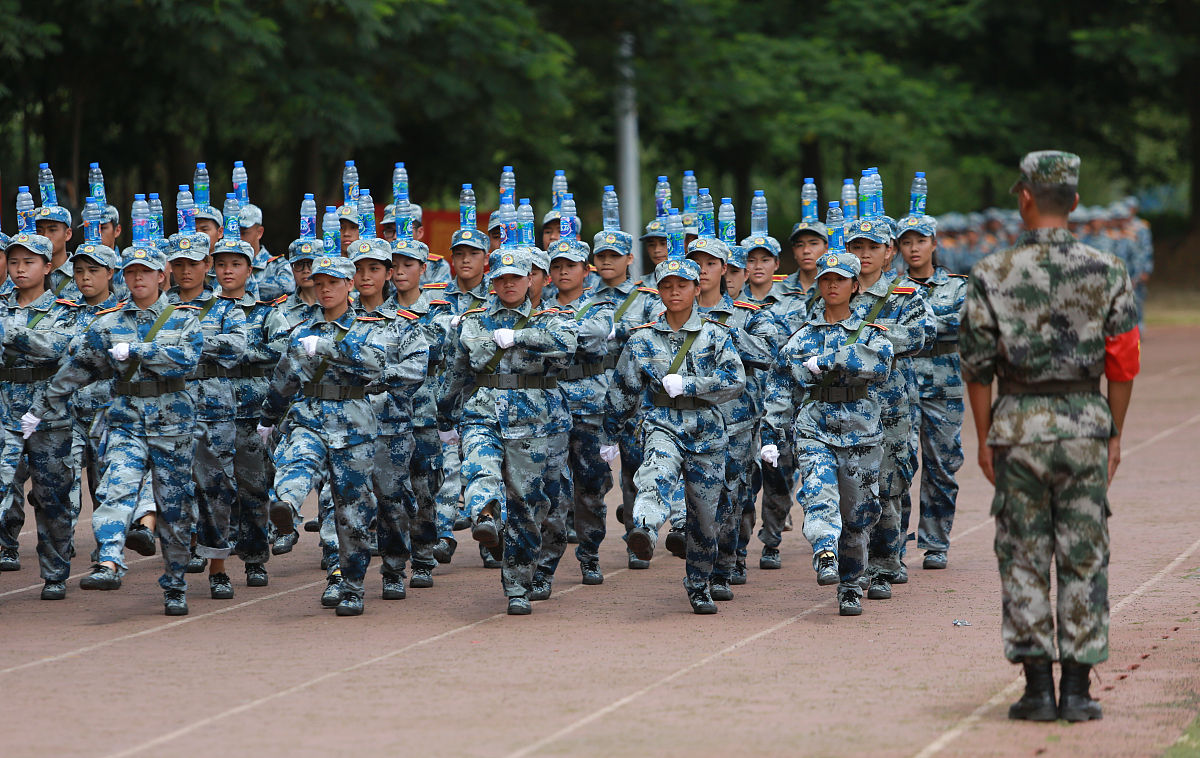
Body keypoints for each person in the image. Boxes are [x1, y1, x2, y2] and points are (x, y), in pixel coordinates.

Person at [960, 150, 1139, 722]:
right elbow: (1124, 361)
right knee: (1084, 553)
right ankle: (1080, 690)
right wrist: (1113, 434)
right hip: (1086, 422)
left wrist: (988, 437)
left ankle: (1038, 689)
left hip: (1018, 428)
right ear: (1077, 202)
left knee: (1024, 554)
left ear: (1025, 197)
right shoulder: (1108, 269)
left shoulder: (991, 272)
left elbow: (977, 367)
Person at [30, 244, 203, 615]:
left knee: (175, 510)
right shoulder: (107, 323)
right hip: (125, 421)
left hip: (172, 427)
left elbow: (186, 359)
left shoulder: (183, 318)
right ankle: (108, 562)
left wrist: (138, 351)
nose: (137, 278)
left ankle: (174, 584)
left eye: (145, 272)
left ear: (162, 276)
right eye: (131, 272)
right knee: (116, 489)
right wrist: (42, 407)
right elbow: (78, 369)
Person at [437, 249, 577, 615]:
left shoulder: (550, 319)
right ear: (492, 282)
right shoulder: (472, 322)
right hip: (482, 411)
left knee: (527, 505)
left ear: (530, 279)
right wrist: (444, 416)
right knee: (480, 467)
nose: (510, 284)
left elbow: (569, 345)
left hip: (532, 420)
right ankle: (484, 513)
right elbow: (456, 372)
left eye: (517, 277)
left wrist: (520, 337)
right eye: (502, 278)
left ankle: (517, 583)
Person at [604, 257, 746, 614]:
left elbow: (735, 382)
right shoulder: (643, 339)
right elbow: (622, 389)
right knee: (655, 472)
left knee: (704, 515)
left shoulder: (715, 334)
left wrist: (692, 384)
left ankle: (699, 584)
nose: (674, 292)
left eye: (682, 285)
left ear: (697, 289)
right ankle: (646, 531)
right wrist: (610, 433)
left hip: (707, 429)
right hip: (662, 421)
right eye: (666, 286)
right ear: (658, 290)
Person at [762, 250, 894, 616]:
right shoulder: (801, 338)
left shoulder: (872, 333)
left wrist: (832, 360)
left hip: (861, 433)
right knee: (818, 494)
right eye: (825, 279)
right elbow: (779, 388)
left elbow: (880, 365)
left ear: (855, 286)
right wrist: (771, 435)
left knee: (858, 513)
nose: (832, 285)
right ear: (818, 286)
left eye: (840, 279)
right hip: (814, 428)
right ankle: (824, 551)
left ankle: (851, 584)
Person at [260, 255, 388, 616]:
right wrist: (268, 417)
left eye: (333, 282)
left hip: (353, 424)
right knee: (296, 458)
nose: (325, 289)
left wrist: (331, 347)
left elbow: (376, 364)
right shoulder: (301, 330)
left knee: (352, 512)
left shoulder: (369, 325)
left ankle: (350, 585)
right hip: (309, 416)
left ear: (350, 284)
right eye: (319, 283)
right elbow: (285, 378)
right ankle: (286, 504)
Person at [686, 237, 781, 598]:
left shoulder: (749, 314)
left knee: (731, 497)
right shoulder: (674, 313)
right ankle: (699, 574)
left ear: (725, 269)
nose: (703, 270)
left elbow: (769, 352)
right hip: (688, 422)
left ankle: (725, 566)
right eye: (696, 263)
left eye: (711, 264)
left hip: (736, 421)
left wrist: (721, 332)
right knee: (695, 499)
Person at [844, 217, 934, 601]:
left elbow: (920, 335)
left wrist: (864, 339)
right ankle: (855, 564)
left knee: (888, 485)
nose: (864, 255)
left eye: (873, 248)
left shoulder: (905, 294)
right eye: (857, 247)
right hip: (845, 406)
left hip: (891, 406)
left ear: (889, 252)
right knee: (849, 486)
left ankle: (883, 564)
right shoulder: (834, 289)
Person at [167, 233, 248, 597]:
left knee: (216, 488)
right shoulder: (156, 307)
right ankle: (176, 570)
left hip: (214, 408)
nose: (185, 271)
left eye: (193, 264)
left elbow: (236, 347)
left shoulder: (226, 307)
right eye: (178, 264)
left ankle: (217, 565)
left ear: (207, 266)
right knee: (171, 488)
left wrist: (186, 343)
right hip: (167, 406)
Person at [0, 233, 78, 598]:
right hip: (4, 415)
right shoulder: (1, 307)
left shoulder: (65, 309)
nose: (19, 270)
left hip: (49, 417)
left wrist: (9, 333)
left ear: (48, 267)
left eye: (28, 262)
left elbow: (55, 349)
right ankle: (7, 545)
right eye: (13, 262)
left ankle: (55, 572)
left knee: (52, 497)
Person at [350, 238, 430, 597]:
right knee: (341, 500)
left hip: (390, 426)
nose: (365, 276)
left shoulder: (403, 323)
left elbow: (416, 367)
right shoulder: (337, 319)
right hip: (343, 424)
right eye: (358, 269)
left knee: (390, 499)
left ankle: (395, 568)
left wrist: (375, 379)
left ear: (387, 274)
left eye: (374, 269)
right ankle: (340, 575)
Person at [895, 214, 968, 569]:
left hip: (944, 386)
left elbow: (961, 323)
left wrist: (913, 326)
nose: (914, 248)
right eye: (906, 242)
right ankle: (893, 543)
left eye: (920, 241)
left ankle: (936, 541)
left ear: (934, 244)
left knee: (942, 464)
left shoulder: (957, 286)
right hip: (901, 386)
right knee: (898, 465)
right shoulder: (890, 287)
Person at [546, 238, 615, 587]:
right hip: (549, 406)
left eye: (570, 266)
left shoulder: (599, 305)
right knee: (552, 490)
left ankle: (589, 555)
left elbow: (595, 334)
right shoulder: (539, 305)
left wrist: (551, 333)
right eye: (556, 266)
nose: (562, 272)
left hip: (590, 408)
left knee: (590, 489)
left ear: (585, 271)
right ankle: (545, 566)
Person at [389, 238, 455, 567]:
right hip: (386, 413)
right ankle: (394, 561)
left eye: (408, 265)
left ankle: (425, 556)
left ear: (423, 269)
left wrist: (391, 340)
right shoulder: (377, 310)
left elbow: (435, 345)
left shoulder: (440, 310)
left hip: (424, 413)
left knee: (425, 488)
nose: (400, 272)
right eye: (395, 265)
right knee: (389, 491)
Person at [239, 203, 294, 302]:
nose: (238, 238)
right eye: (234, 233)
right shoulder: (221, 264)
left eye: (243, 233)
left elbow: (288, 288)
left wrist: (236, 287)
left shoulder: (278, 266)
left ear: (259, 232)